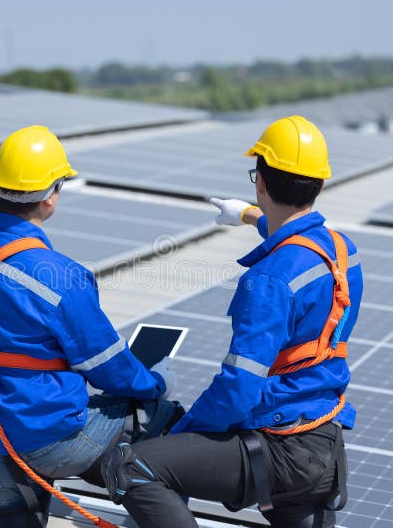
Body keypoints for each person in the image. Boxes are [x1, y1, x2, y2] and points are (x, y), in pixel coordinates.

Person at [101, 116, 363, 528]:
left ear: (259, 181)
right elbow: (296, 238)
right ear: (320, 184)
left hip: (278, 449)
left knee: (134, 467)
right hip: (323, 446)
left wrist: (182, 433)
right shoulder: (342, 252)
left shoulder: (268, 279)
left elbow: (240, 389)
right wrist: (249, 216)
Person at [0, 125, 182, 528]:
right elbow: (110, 370)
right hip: (52, 439)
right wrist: (157, 384)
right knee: (164, 420)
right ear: (52, 196)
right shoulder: (62, 277)